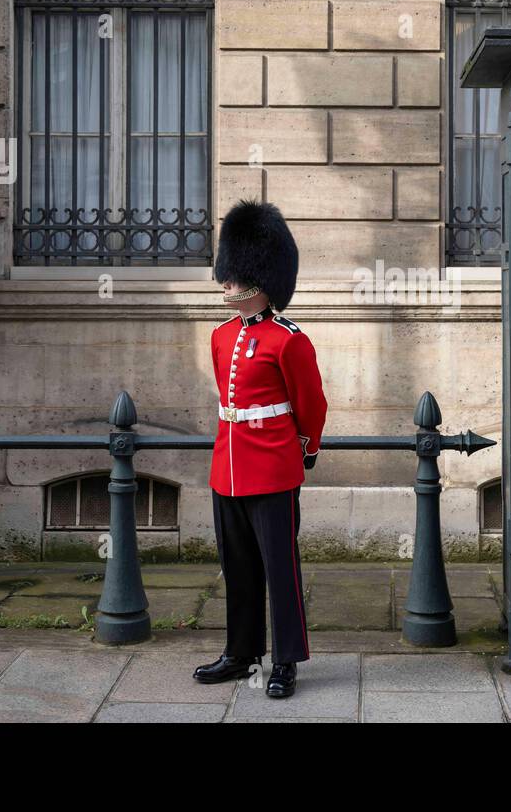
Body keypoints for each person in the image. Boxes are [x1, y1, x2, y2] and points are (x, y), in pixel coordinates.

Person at [193, 200, 327, 699]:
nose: (225, 281)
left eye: (234, 274)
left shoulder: (289, 340)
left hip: (272, 469)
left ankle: (286, 660)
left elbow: (310, 404)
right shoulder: (221, 336)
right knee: (239, 567)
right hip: (227, 468)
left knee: (281, 570)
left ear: (260, 277)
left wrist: (305, 452)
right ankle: (241, 651)